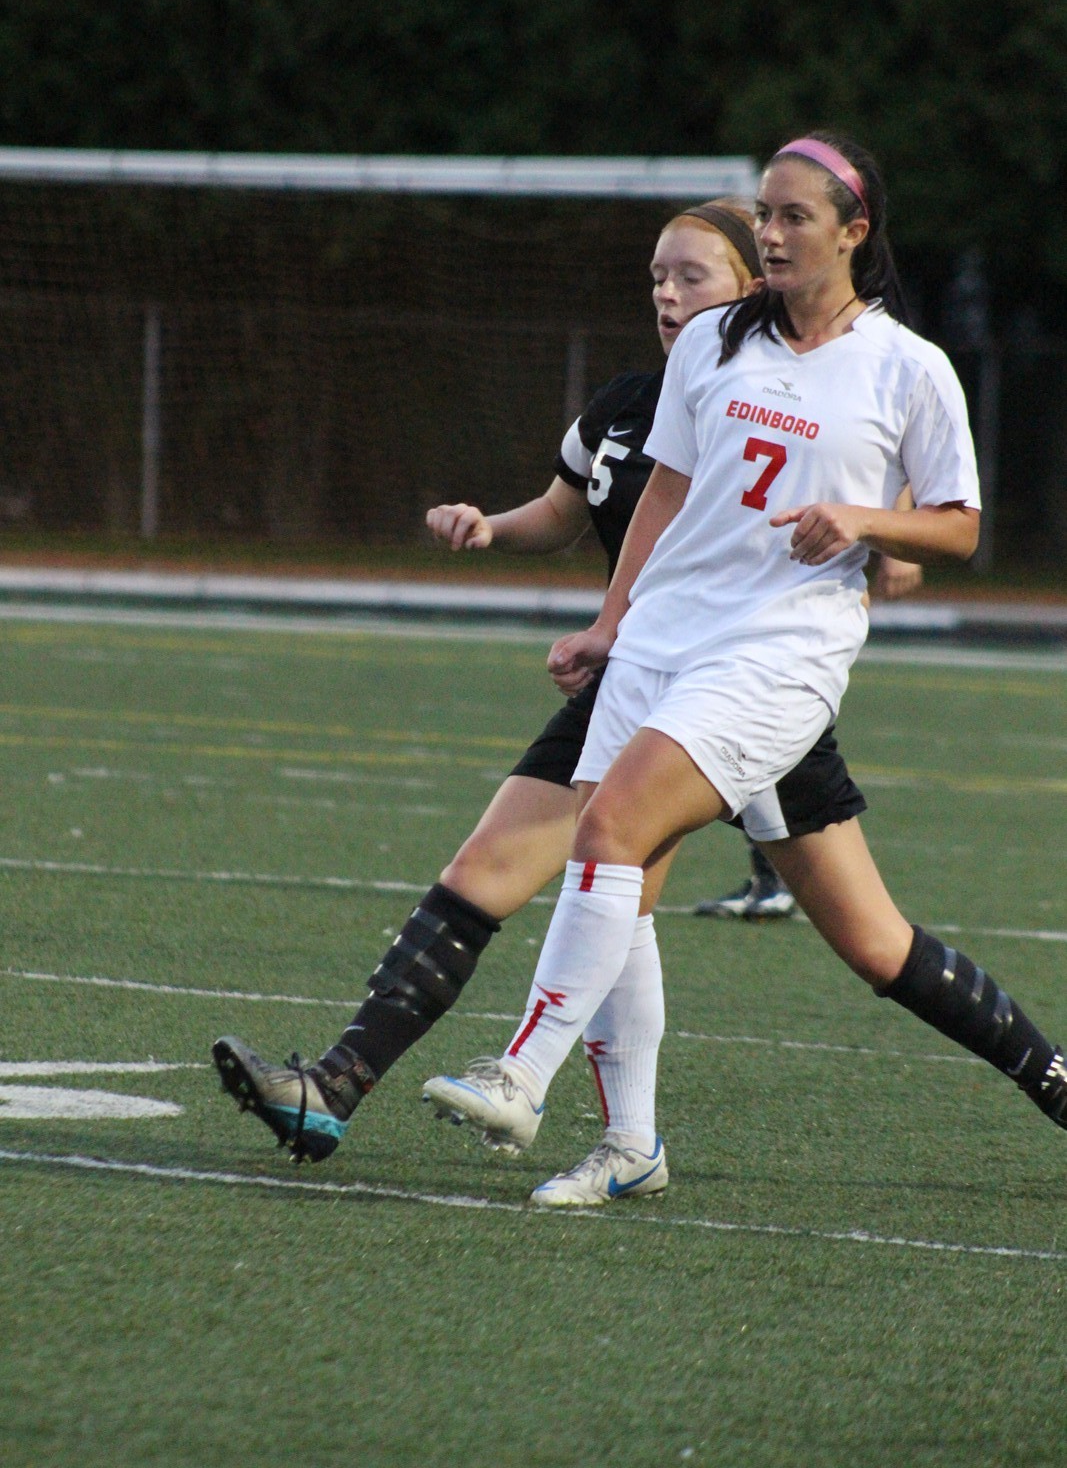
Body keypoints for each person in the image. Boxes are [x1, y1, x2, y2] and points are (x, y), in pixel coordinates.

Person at [424, 130, 1067, 1207]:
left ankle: (521, 1073)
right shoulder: (714, 341)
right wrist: (607, 625)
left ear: (853, 232)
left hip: (775, 661)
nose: (767, 233)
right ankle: (630, 1144)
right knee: (673, 899)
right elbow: (663, 496)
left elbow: (955, 530)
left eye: (792, 216)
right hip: (663, 642)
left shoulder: (909, 368)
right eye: (762, 213)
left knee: (608, 832)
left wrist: (860, 521)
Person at [211, 197, 768, 1160]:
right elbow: (560, 512)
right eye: (656, 279)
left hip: (715, 693)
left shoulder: (776, 409)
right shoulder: (629, 404)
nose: (668, 296)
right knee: (502, 879)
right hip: (625, 679)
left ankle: (579, 1115)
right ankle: (335, 1089)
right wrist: (489, 525)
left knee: (865, 944)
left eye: (693, 277)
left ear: (753, 288)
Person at [694, 540, 923, 919]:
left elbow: (906, 484)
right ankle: (774, 879)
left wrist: (900, 548)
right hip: (741, 584)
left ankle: (777, 880)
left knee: (768, 732)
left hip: (791, 595)